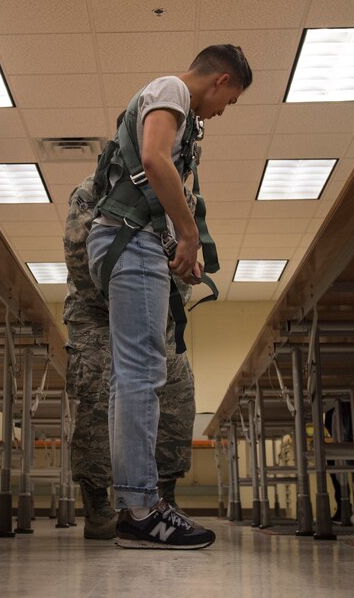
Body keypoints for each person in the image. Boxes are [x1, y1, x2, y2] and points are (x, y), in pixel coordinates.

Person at [86, 45, 251, 549]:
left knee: (132, 376)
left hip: (132, 241)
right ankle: (140, 509)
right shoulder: (171, 89)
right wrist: (186, 234)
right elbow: (156, 159)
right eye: (232, 99)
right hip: (127, 240)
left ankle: (137, 505)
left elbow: (158, 172)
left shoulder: (177, 106)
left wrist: (181, 241)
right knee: (141, 374)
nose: (225, 111)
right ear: (221, 81)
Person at [63, 171, 196, 540]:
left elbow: (186, 257)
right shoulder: (94, 189)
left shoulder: (182, 196)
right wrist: (132, 306)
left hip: (156, 313)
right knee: (99, 385)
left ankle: (161, 497)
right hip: (98, 315)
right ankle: (98, 504)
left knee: (177, 388)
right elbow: (80, 258)